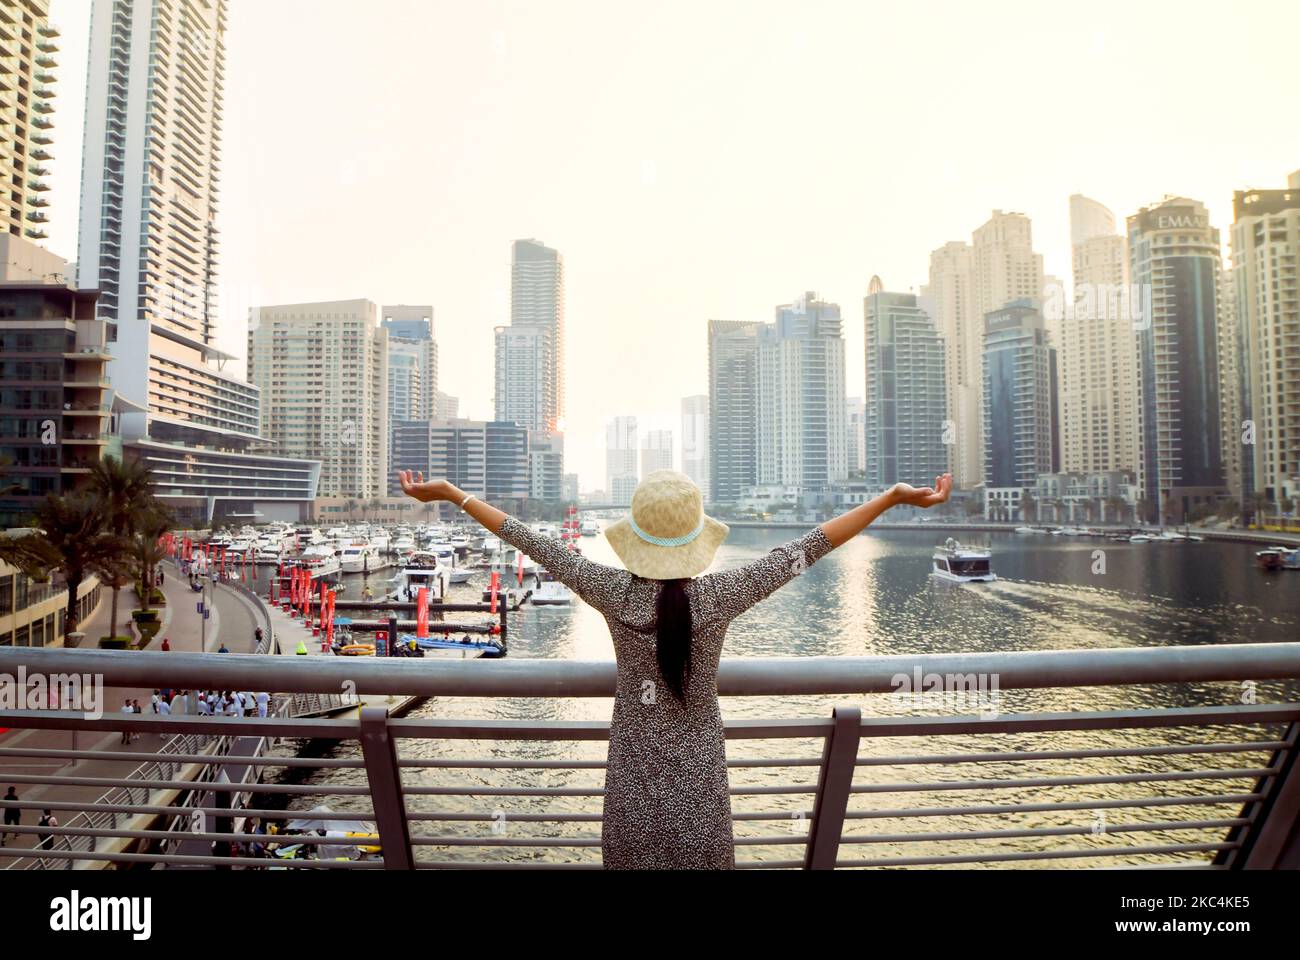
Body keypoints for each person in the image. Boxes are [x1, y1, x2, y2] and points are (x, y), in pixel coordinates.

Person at [398, 466, 951, 870]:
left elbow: (535, 544)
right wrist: (891, 498)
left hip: (632, 782)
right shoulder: (723, 594)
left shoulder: (611, 591)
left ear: (636, 538)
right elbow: (811, 547)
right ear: (696, 539)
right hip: (701, 786)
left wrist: (452, 493)